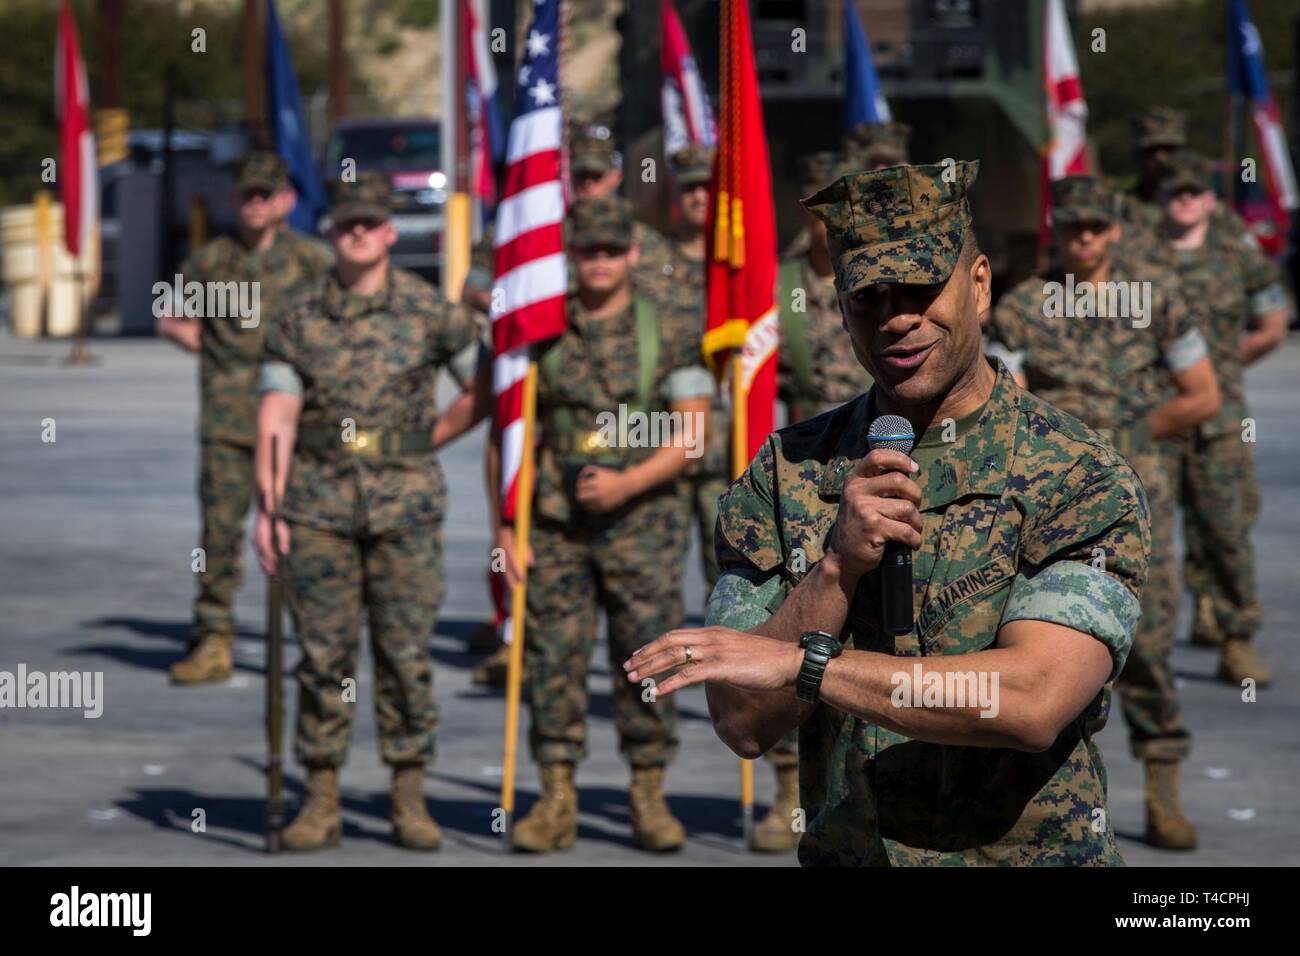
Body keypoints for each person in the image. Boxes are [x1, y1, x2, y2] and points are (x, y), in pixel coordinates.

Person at [625, 162, 1152, 866]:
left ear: (980, 284)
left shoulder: (1075, 474)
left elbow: (1033, 699)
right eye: (868, 296)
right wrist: (836, 570)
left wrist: (803, 665)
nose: (897, 318)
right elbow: (744, 723)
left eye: (920, 289)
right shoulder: (789, 472)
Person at [254, 172, 485, 852]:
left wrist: (428, 439)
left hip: (405, 510)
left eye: (369, 224)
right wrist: (267, 507)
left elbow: (485, 387)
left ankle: (408, 796)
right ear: (331, 234)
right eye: (346, 225)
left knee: (405, 655)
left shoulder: (431, 313)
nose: (357, 234)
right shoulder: (298, 320)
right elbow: (277, 414)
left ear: (389, 233)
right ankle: (320, 795)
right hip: (319, 507)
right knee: (323, 657)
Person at [988, 174, 1220, 849]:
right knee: (1036, 645)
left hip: (1138, 505)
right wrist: (1069, 448)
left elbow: (1201, 394)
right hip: (1048, 503)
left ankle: (1162, 786)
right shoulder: (1023, 306)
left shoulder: (1157, 303)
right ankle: (1036, 804)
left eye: (1096, 227)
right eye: (1072, 227)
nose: (1083, 239)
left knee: (1147, 647)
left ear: (1115, 230)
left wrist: (1127, 440)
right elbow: (1009, 395)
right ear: (1056, 231)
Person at [490, 196, 713, 853]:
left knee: (647, 657)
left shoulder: (668, 328)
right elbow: (511, 437)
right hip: (556, 524)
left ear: (633, 255)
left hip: (644, 521)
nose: (600, 263)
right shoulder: (542, 329)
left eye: (612, 251)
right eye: (588, 251)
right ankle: (556, 795)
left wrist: (627, 482)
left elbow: (694, 433)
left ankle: (648, 792)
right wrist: (507, 526)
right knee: (552, 660)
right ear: (570, 255)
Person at [158, 151, 332, 685]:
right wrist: (211, 352)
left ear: (286, 201)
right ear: (236, 201)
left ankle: (316, 645)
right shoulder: (212, 261)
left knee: (300, 531)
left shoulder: (313, 262)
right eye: (248, 195)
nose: (256, 204)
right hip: (228, 420)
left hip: (294, 425)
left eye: (266, 195)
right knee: (219, 533)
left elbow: (337, 324)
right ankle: (214, 638)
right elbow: (171, 315)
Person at [1150, 150, 1288, 685]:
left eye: (1193, 192)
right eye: (1173, 192)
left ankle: (1236, 640)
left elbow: (1272, 324)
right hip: (1158, 417)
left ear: (1210, 199)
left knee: (1226, 533)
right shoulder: (1139, 256)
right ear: (1159, 199)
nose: (1184, 200)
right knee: (1151, 538)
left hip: (1221, 420)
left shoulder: (1239, 255)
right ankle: (1145, 649)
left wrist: (1221, 367)